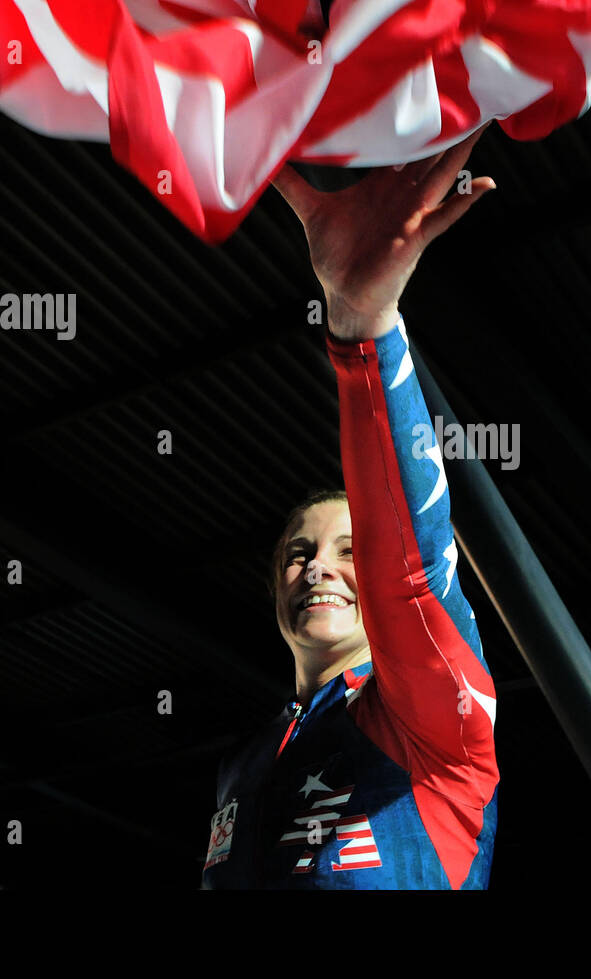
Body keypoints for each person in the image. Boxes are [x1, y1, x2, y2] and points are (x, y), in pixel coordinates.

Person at [201, 128, 500, 889]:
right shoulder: (240, 763)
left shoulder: (432, 724)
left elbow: (413, 577)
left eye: (346, 549)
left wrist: (362, 329)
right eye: (298, 553)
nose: (317, 568)